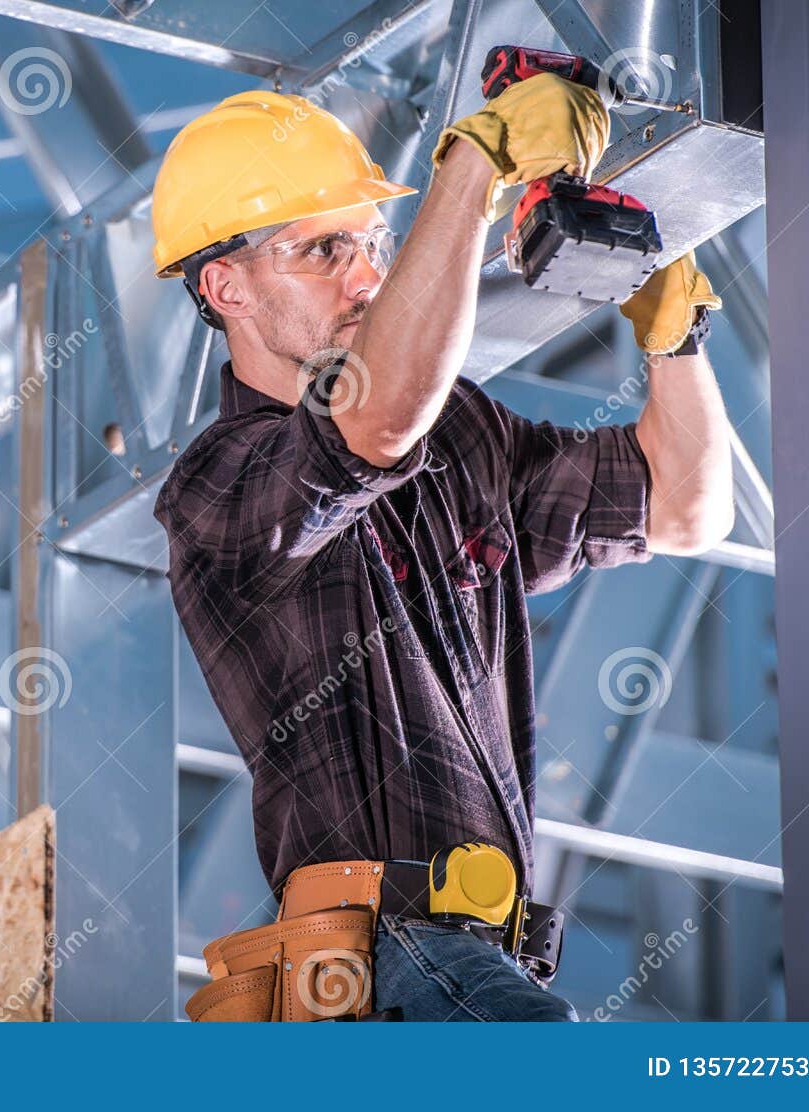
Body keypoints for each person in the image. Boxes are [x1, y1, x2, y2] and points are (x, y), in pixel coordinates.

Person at [151, 77, 732, 1021]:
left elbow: (684, 509)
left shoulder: (458, 434)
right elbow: (369, 424)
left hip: (477, 958)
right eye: (325, 249)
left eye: (371, 243)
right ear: (225, 286)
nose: (365, 275)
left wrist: (674, 328)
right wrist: (477, 163)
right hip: (382, 963)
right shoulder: (217, 486)